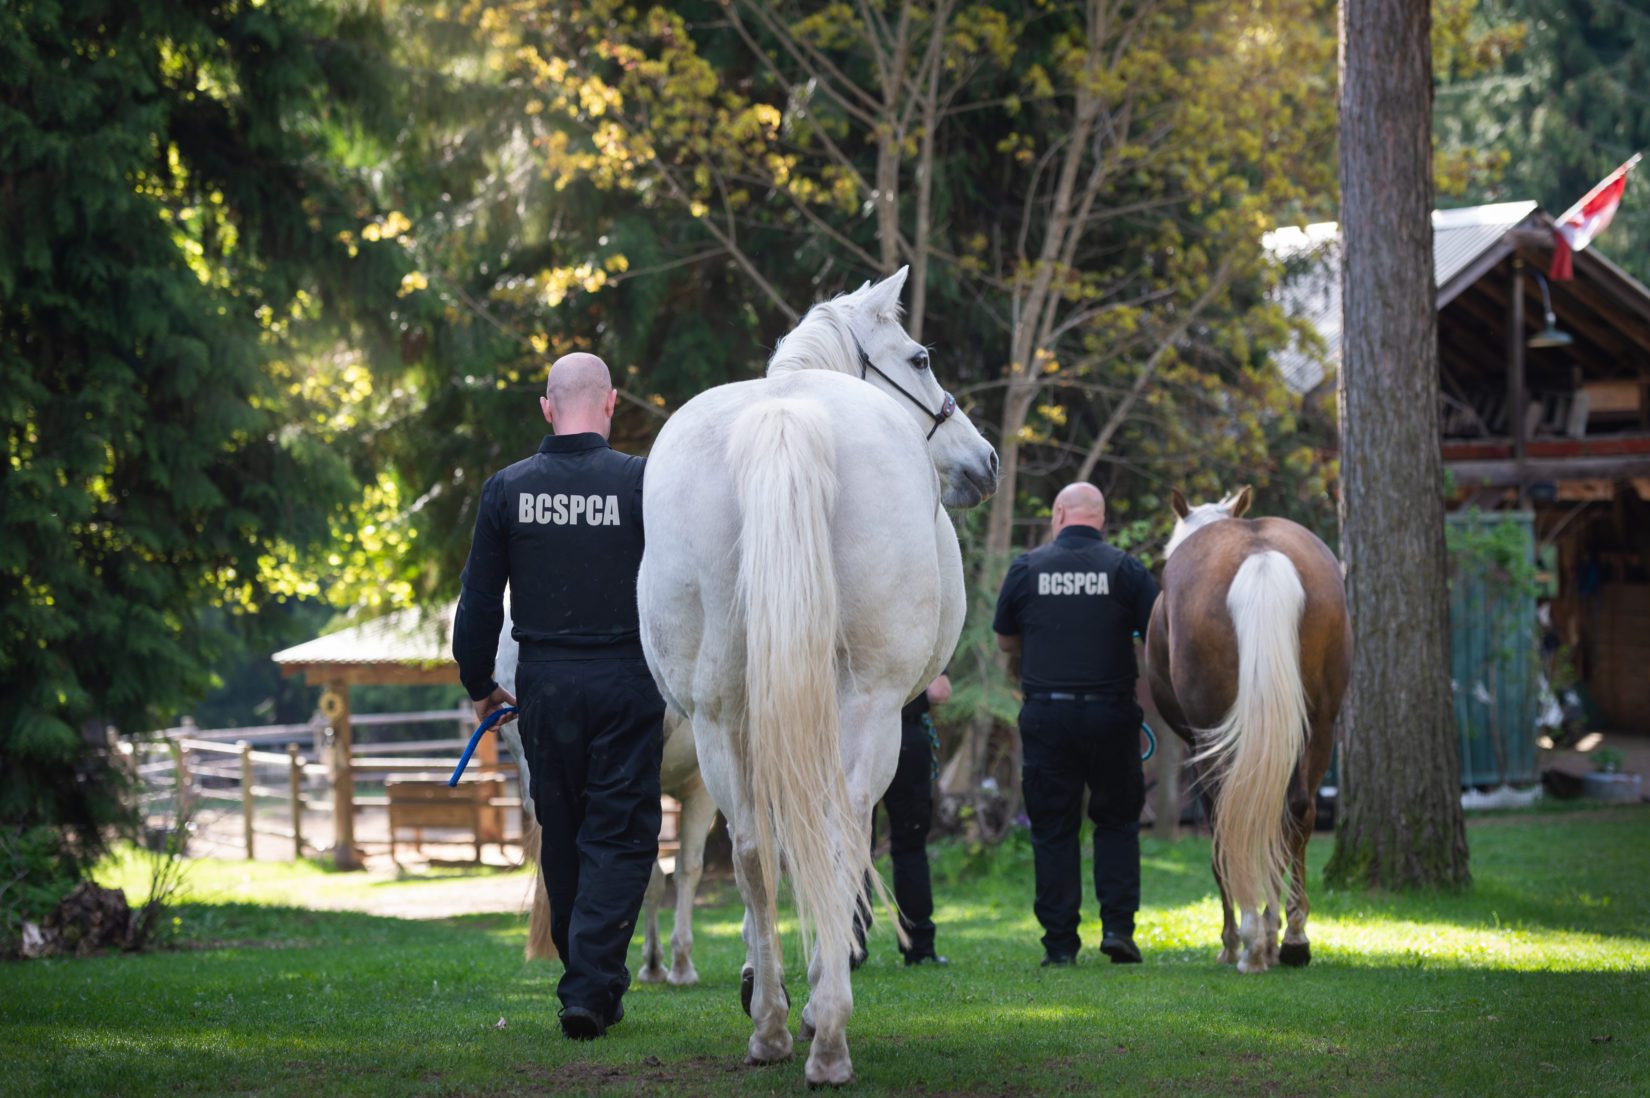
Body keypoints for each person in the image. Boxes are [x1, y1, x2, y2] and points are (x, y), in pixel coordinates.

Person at [452, 353, 664, 1040]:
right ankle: (590, 986)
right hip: (626, 679)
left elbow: (480, 600)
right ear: (610, 404)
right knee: (623, 836)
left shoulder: (507, 489)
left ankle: (587, 984)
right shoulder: (641, 484)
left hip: (544, 684)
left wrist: (479, 683)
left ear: (548, 407)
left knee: (565, 834)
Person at [991, 482, 1159, 967]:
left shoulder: (1027, 568)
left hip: (1049, 714)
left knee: (1053, 828)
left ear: (1060, 513)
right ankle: (1118, 930)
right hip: (1111, 714)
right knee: (1118, 821)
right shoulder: (1126, 570)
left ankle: (1061, 944)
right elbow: (1156, 633)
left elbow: (1004, 642)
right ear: (1101, 519)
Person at [854, 671, 952, 967]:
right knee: (910, 847)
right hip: (903, 735)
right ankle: (919, 946)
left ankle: (850, 945)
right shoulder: (912, 631)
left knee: (851, 847)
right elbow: (940, 692)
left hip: (852, 737)